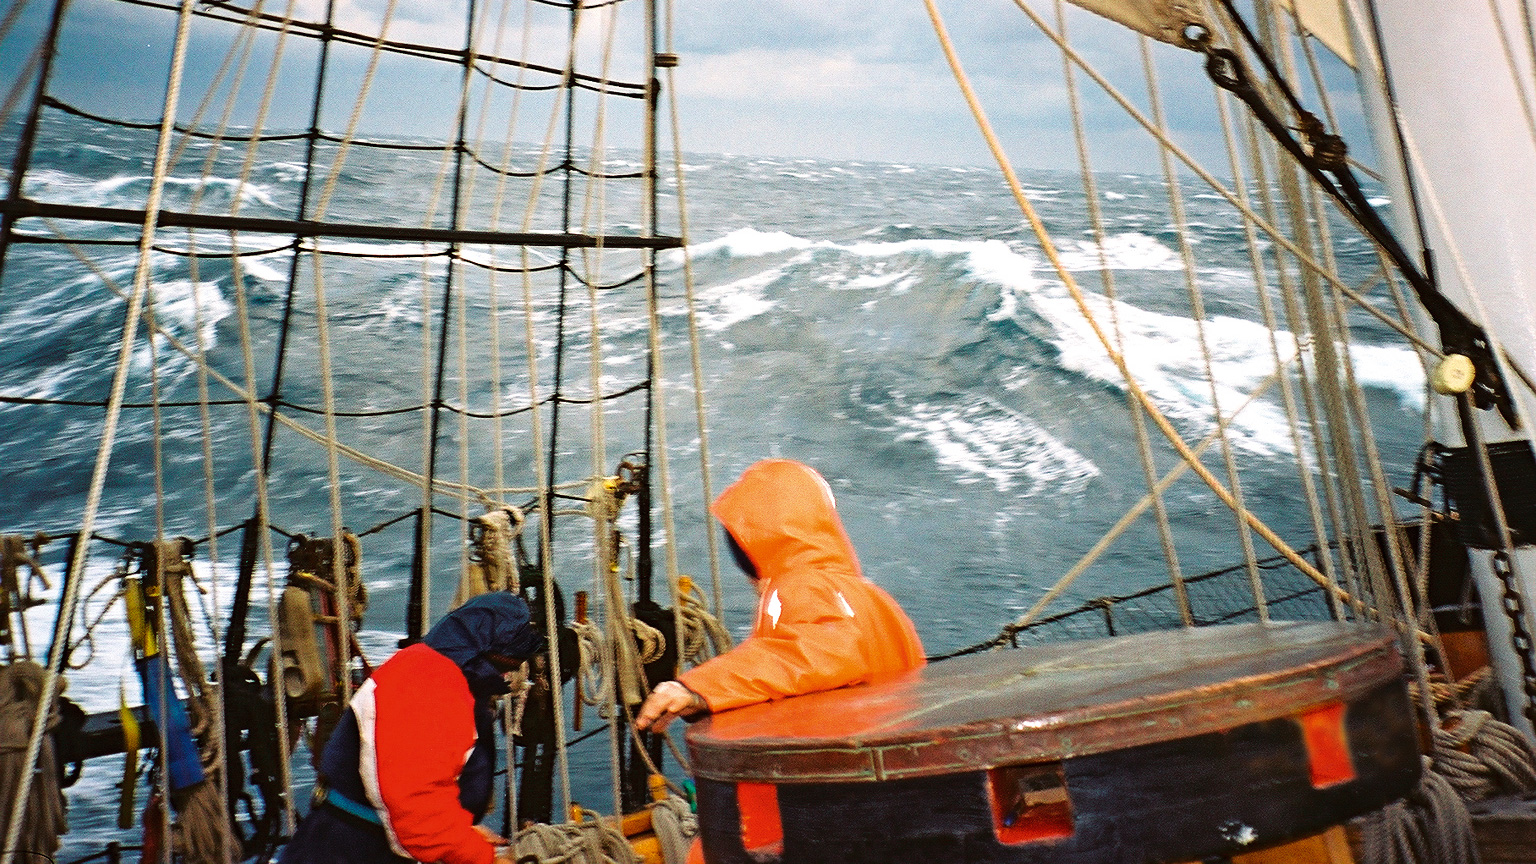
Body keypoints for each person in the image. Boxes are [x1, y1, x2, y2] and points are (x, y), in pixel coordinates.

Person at [635, 458, 925, 732]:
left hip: (840, 773)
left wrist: (699, 690)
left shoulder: (798, 588)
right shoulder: (875, 598)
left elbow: (826, 653)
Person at [280, 591, 543, 864]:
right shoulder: (428, 684)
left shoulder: (439, 672)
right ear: (486, 650)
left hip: (374, 840)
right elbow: (416, 804)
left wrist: (459, 832)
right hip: (348, 849)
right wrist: (480, 856)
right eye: (508, 664)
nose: (509, 676)